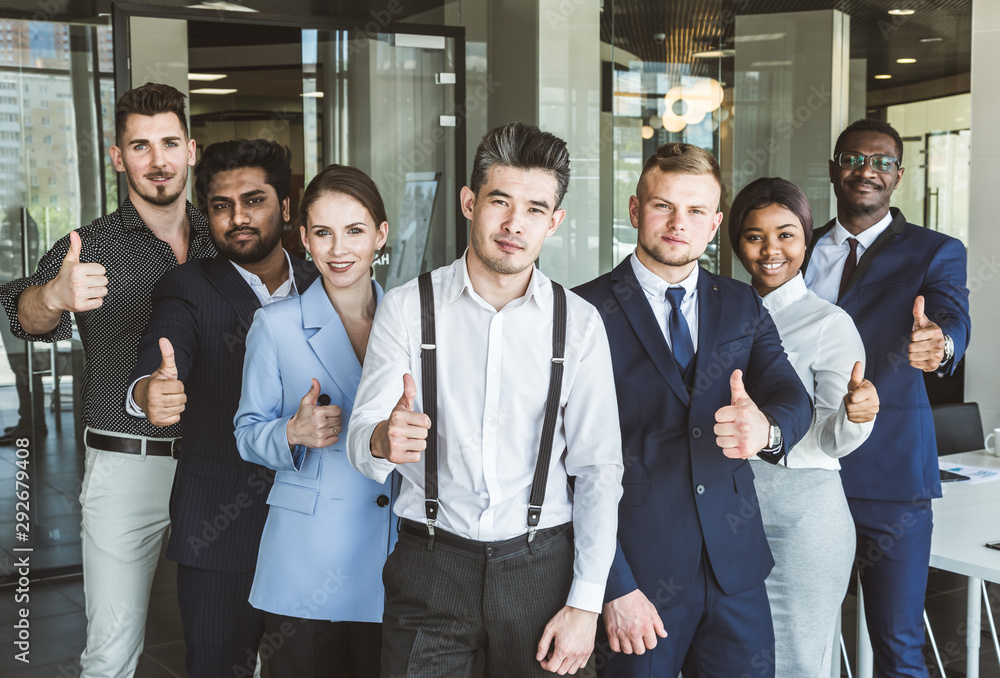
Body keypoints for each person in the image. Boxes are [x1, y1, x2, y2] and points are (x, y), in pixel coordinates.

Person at [346, 122, 624, 677]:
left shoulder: (580, 324)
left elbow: (599, 470)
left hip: (541, 569)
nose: (514, 224)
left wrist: (586, 602)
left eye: (536, 209)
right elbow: (361, 438)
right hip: (430, 564)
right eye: (500, 201)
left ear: (555, 221)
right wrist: (382, 437)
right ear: (470, 202)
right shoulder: (407, 308)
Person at [0, 82, 217, 677]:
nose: (158, 160)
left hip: (216, 462)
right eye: (140, 146)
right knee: (112, 651)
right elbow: (25, 318)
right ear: (119, 157)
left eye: (169, 143)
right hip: (128, 463)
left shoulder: (223, 242)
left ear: (191, 150)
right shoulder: (90, 245)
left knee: (230, 641)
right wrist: (54, 294)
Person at [573, 142, 813, 678]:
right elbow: (564, 463)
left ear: (714, 223)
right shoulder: (581, 311)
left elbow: (791, 397)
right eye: (664, 206)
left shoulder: (741, 302)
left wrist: (766, 429)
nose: (679, 223)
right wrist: (612, 587)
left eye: (697, 211)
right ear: (636, 211)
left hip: (737, 571)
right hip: (639, 579)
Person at [126, 139, 317, 676]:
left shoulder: (324, 282)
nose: (238, 218)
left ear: (285, 206)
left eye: (253, 201)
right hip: (219, 528)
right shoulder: (187, 286)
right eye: (220, 205)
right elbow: (162, 355)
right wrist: (149, 391)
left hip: (313, 527)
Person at [802, 119, 971, 678]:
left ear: (899, 175)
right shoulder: (797, 247)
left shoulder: (935, 251)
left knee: (896, 643)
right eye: (853, 159)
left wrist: (941, 343)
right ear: (834, 168)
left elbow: (951, 317)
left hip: (890, 475)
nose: (866, 171)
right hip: (802, 469)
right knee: (797, 633)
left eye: (881, 162)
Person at [233, 164, 394, 677]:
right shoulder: (275, 326)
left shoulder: (410, 320)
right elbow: (246, 431)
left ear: (380, 235)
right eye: (323, 233)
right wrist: (290, 433)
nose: (339, 249)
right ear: (303, 238)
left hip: (394, 560)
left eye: (354, 230)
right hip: (306, 563)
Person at [729, 176, 879, 677]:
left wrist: (857, 416)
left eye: (787, 234)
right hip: (725, 509)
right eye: (755, 236)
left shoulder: (828, 323)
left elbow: (834, 436)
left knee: (795, 662)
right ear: (736, 242)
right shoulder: (719, 314)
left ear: (807, 239)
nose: (771, 250)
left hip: (800, 515)